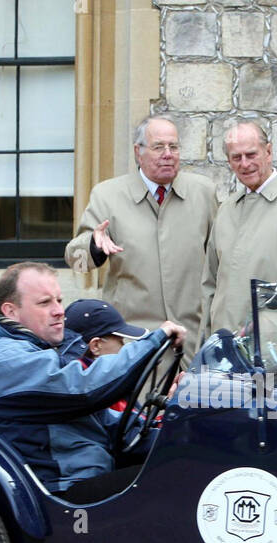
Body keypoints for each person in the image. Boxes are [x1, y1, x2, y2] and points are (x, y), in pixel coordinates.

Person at [0, 262, 186, 494]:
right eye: (44, 302)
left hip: (82, 471)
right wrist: (153, 341)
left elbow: (105, 421)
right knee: (172, 485)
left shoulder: (38, 351)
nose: (59, 311)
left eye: (59, 300)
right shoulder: (0, 359)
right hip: (59, 486)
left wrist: (175, 428)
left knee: (183, 461)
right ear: (10, 311)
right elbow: (84, 387)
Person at [64, 114, 217, 362]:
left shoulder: (203, 192)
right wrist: (94, 246)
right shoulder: (107, 195)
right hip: (135, 346)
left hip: (193, 344)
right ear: (138, 152)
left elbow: (219, 261)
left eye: (174, 146)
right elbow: (77, 263)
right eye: (158, 147)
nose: (168, 154)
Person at [201, 120, 277, 342]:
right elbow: (211, 286)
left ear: (268, 151)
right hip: (225, 352)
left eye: (251, 155)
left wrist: (261, 322)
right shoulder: (226, 210)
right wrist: (206, 345)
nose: (244, 164)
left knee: (270, 380)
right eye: (236, 157)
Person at [65, 298, 148, 412]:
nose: (124, 347)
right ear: (95, 346)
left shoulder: (76, 385)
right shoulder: (102, 393)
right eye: (120, 341)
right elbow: (135, 428)